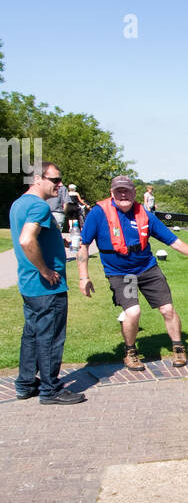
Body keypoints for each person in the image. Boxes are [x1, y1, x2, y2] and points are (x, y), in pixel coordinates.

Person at [77, 175, 188, 369]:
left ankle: (178, 346)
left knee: (167, 309)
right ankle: (130, 352)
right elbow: (83, 245)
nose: (123, 194)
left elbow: (173, 241)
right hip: (122, 274)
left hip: (147, 269)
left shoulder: (145, 215)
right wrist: (84, 277)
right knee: (133, 312)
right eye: (119, 191)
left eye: (127, 191)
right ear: (112, 193)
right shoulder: (98, 213)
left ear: (135, 193)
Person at [10, 161, 86, 404]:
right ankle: (50, 390)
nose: (60, 184)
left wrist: (58, 242)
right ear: (37, 180)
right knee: (50, 337)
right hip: (46, 286)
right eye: (54, 180)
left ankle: (24, 384)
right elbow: (25, 240)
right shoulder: (39, 207)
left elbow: (33, 237)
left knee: (32, 334)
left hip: (29, 285)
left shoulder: (19, 204)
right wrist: (45, 270)